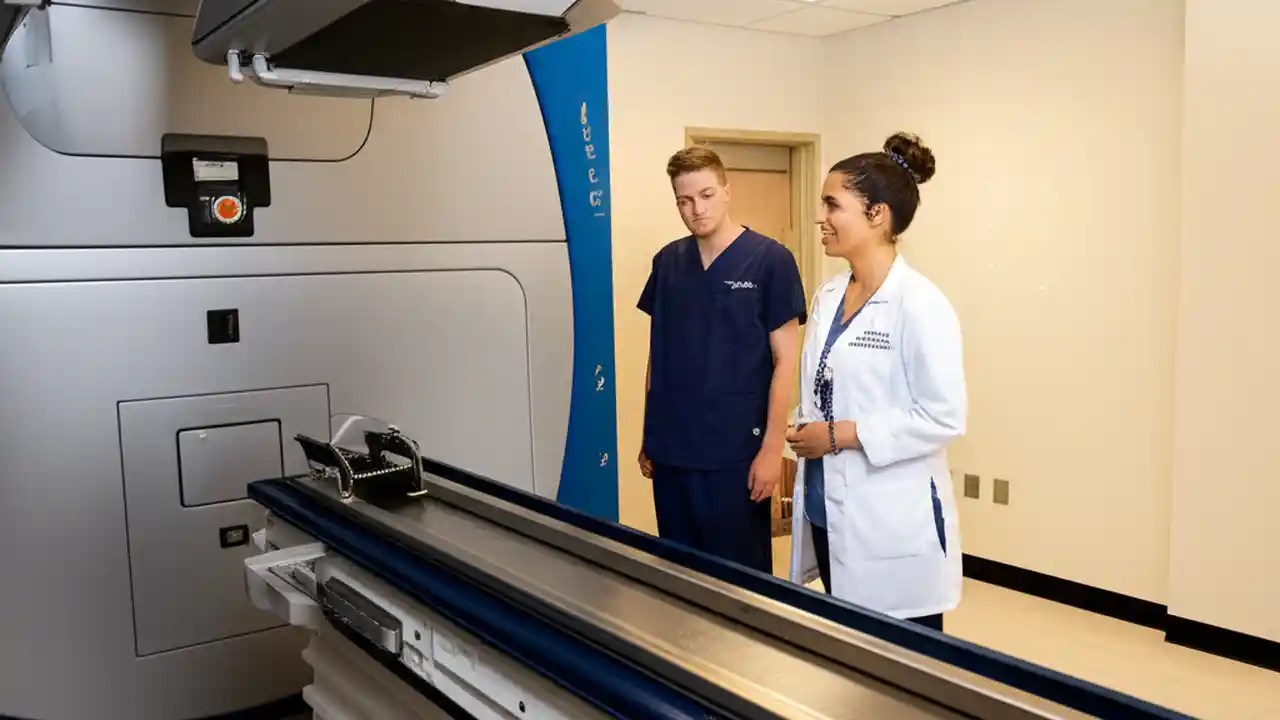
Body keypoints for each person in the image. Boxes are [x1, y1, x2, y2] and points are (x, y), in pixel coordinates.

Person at [785, 132, 966, 631]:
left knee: (902, 677)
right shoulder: (828, 297)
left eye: (832, 204)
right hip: (829, 510)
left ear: (876, 215)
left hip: (890, 524)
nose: (820, 217)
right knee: (846, 661)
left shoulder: (921, 304)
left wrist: (841, 436)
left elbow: (943, 415)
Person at [637, 146, 806, 573]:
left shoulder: (771, 261)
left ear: (727, 192)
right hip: (672, 450)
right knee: (678, 574)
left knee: (738, 581)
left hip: (735, 455)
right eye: (684, 200)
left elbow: (786, 361)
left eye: (707, 195)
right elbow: (658, 354)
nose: (696, 209)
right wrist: (648, 434)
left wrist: (771, 450)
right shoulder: (668, 262)